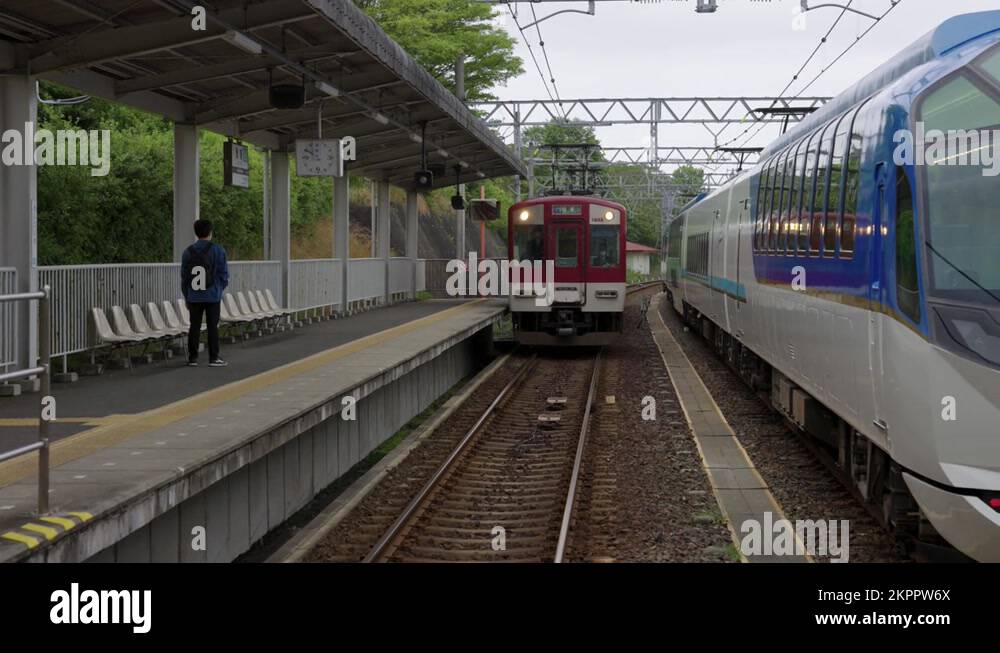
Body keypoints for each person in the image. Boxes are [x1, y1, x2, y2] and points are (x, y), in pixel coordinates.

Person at [180, 219, 229, 367]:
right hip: (212, 295)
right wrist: (219, 289)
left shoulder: (188, 252)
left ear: (196, 232)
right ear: (210, 232)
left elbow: (184, 277)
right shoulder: (218, 250)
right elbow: (224, 275)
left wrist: (187, 296)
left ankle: (192, 358)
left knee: (194, 326)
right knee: (212, 326)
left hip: (194, 296)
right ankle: (214, 357)